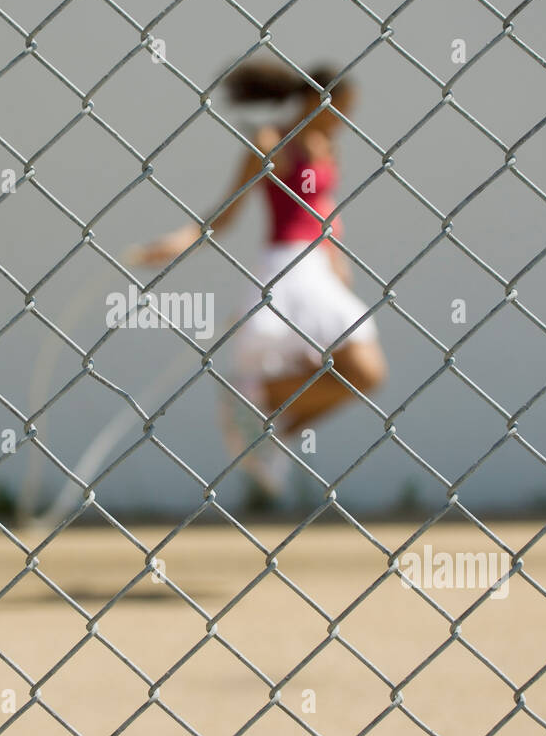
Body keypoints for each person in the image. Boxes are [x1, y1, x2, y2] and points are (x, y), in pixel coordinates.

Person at [134, 61, 388, 490]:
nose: (345, 121)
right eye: (339, 108)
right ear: (315, 99)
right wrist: (178, 241)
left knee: (363, 373)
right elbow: (227, 211)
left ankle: (265, 424)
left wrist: (336, 253)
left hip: (318, 269)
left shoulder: (326, 145)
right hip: (286, 270)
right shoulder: (272, 142)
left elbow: (321, 205)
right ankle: (255, 401)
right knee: (363, 367)